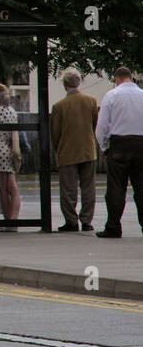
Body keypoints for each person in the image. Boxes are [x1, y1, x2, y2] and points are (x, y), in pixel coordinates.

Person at [94, 66, 143, 238]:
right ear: (131, 78)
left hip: (119, 144)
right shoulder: (142, 95)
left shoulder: (112, 96)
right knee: (141, 188)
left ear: (116, 79)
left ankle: (113, 226)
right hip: (141, 145)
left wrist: (104, 147)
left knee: (115, 189)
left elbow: (101, 127)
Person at [50, 68, 98, 233]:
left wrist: (58, 148)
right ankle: (86, 220)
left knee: (68, 189)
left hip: (67, 151)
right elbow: (94, 124)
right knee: (88, 187)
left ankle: (71, 221)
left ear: (65, 85)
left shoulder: (59, 106)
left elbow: (55, 132)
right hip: (87, 149)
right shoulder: (91, 101)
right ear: (79, 83)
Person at [0, 83, 22, 229]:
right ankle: (14, 220)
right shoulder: (12, 111)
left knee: (3, 189)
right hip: (9, 149)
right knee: (13, 188)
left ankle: (8, 221)